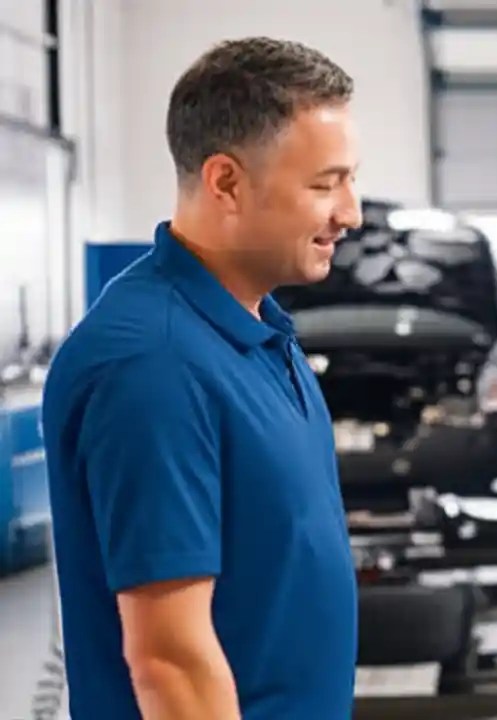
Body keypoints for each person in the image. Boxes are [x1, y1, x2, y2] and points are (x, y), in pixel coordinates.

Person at [41, 37, 363, 719]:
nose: (351, 212)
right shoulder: (153, 366)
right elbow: (170, 662)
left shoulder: (259, 330)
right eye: (324, 183)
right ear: (226, 182)